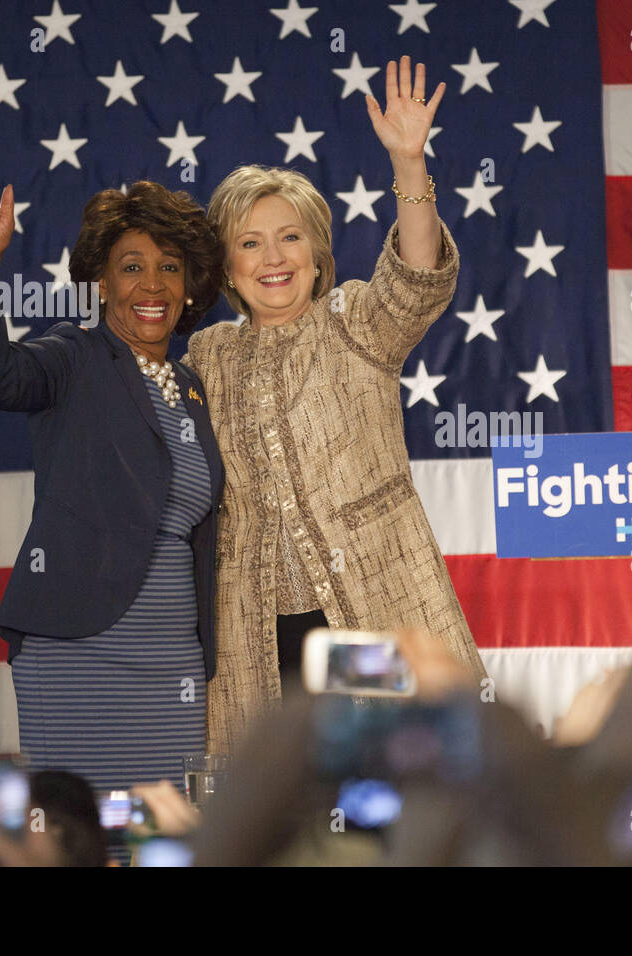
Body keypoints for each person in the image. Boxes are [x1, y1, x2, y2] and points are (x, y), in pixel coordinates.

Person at [183, 56, 487, 754]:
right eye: (250, 243)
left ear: (318, 255)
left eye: (290, 237)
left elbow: (415, 278)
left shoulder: (355, 320)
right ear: (229, 269)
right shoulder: (207, 357)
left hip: (368, 616)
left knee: (397, 789)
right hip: (253, 643)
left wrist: (409, 164)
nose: (273, 257)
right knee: (280, 818)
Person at [0, 153, 225, 799]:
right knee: (78, 837)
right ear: (99, 283)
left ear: (189, 288)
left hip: (173, 664)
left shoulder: (195, 388)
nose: (151, 286)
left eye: (169, 268)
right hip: (76, 654)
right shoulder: (74, 356)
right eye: (131, 267)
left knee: (162, 841)